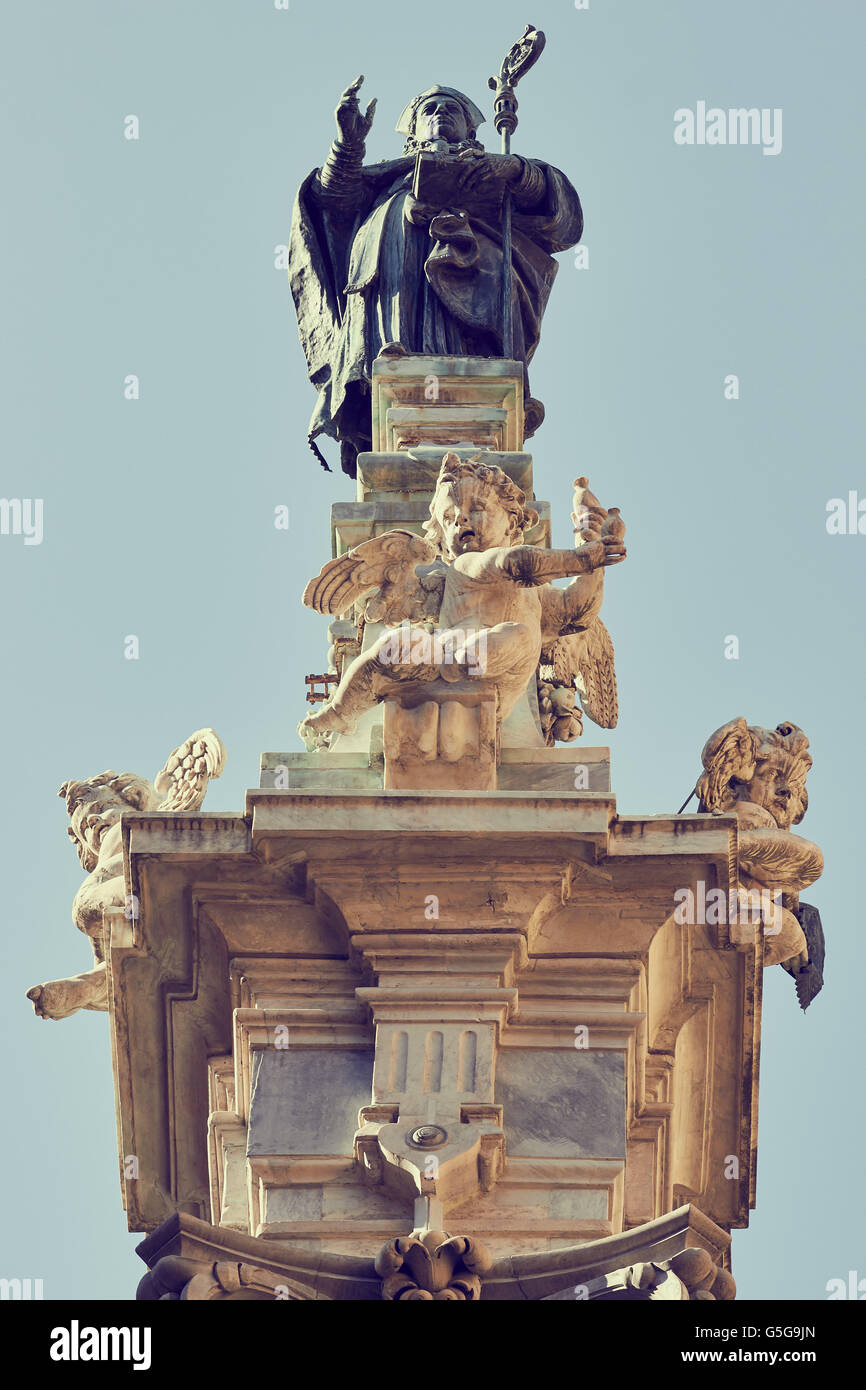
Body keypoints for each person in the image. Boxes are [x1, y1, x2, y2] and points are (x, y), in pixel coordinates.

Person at [289, 80, 584, 476]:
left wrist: (515, 171)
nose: (440, 114)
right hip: (391, 269)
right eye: (429, 110)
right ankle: (400, 360)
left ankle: (466, 372)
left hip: (474, 266)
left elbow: (561, 217)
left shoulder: (491, 173)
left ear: (472, 129)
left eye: (452, 109)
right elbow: (331, 202)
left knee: (459, 312)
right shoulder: (388, 177)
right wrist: (347, 145)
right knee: (400, 305)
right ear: (411, 130)